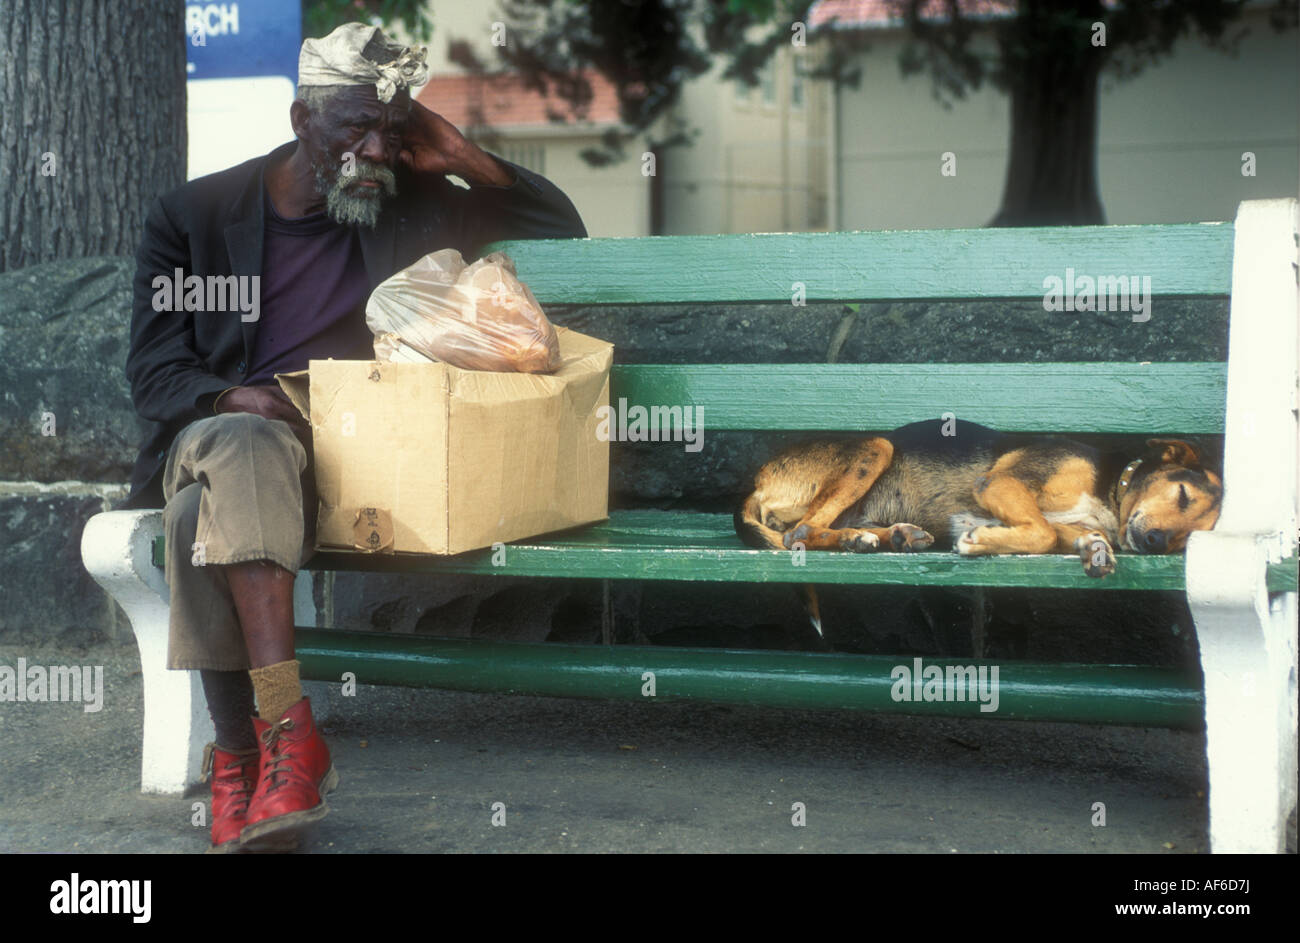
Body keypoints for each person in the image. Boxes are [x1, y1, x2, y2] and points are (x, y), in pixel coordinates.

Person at [120, 22, 587, 852]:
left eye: (391, 132)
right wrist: (235, 394)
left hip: (364, 453)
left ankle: (238, 758)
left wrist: (457, 152)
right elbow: (156, 376)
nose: (373, 152)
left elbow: (563, 228)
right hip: (227, 434)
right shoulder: (193, 217)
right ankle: (291, 736)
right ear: (302, 121)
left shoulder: (410, 202)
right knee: (240, 440)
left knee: (196, 524)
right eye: (353, 131)